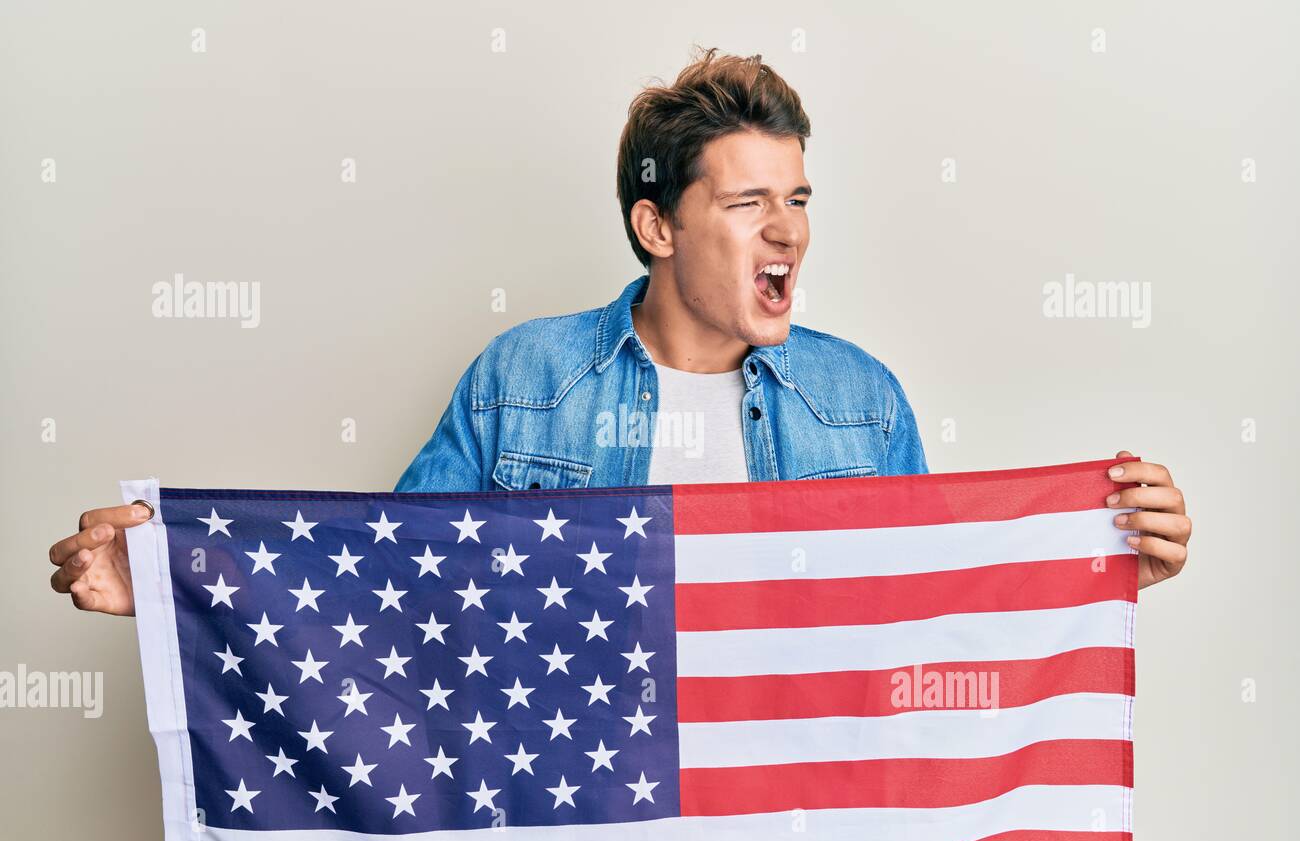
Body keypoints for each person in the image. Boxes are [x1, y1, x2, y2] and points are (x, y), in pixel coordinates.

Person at [47, 47, 1191, 617]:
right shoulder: (525, 379)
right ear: (657, 224)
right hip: (585, 822)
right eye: (746, 204)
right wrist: (179, 579)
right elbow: (397, 580)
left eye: (798, 199)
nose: (784, 229)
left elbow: (923, 611)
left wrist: (1100, 561)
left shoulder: (860, 399)